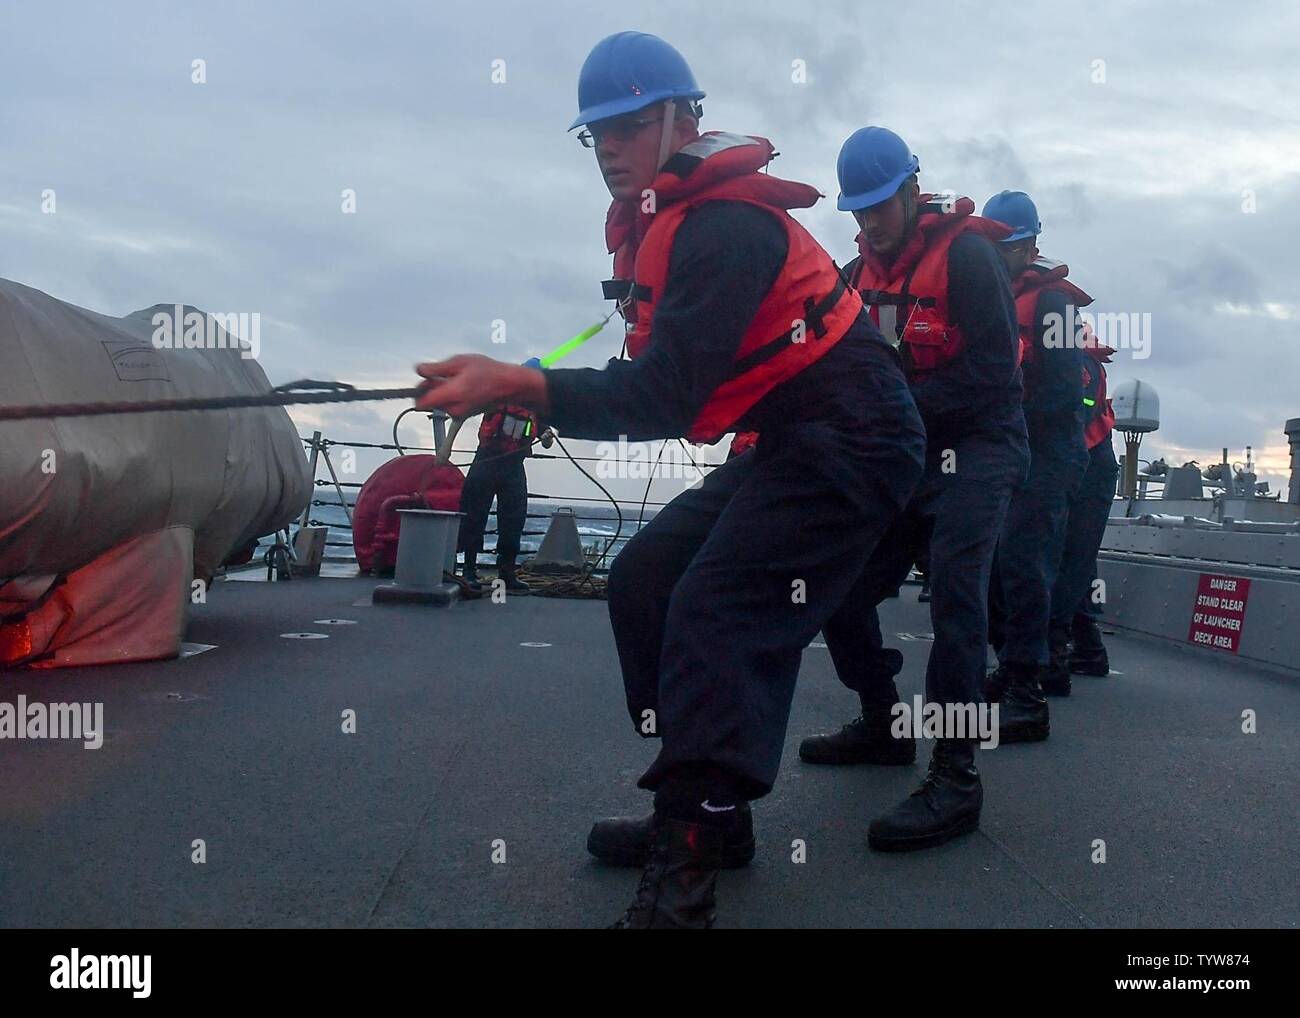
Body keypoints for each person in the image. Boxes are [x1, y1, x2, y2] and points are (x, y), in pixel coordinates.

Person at [414, 32, 925, 927]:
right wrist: (526, 387)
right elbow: (664, 381)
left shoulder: (725, 229)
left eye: (627, 123)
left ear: (683, 119)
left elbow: (662, 394)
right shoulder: (671, 226)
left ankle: (686, 886)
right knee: (646, 578)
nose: (609, 146)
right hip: (793, 435)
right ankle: (699, 816)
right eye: (595, 134)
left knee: (716, 608)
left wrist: (518, 384)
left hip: (857, 435)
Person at [801, 128, 1029, 852]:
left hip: (982, 444)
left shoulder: (968, 257)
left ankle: (957, 778)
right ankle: (881, 724)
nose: (870, 223)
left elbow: (995, 375)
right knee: (839, 584)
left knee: (958, 597)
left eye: (880, 206)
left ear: (910, 191)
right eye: (857, 211)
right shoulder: (849, 275)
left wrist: (892, 409)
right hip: (910, 451)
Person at [981, 191, 1089, 732]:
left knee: (1027, 561)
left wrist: (1011, 413)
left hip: (1050, 450)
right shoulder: (1003, 298)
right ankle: (1013, 662)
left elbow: (1068, 391)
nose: (997, 257)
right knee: (1002, 563)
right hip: (1018, 447)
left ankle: (1028, 692)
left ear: (1029, 248)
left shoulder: (1053, 305)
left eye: (1007, 247)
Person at [457, 404, 549, 594]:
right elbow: (462, 412)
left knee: (514, 519)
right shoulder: (495, 397)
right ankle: (469, 569)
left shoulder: (533, 406)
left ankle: (507, 572)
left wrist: (547, 437)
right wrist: (446, 447)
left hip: (514, 466)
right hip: (486, 462)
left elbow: (546, 439)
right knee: (473, 516)